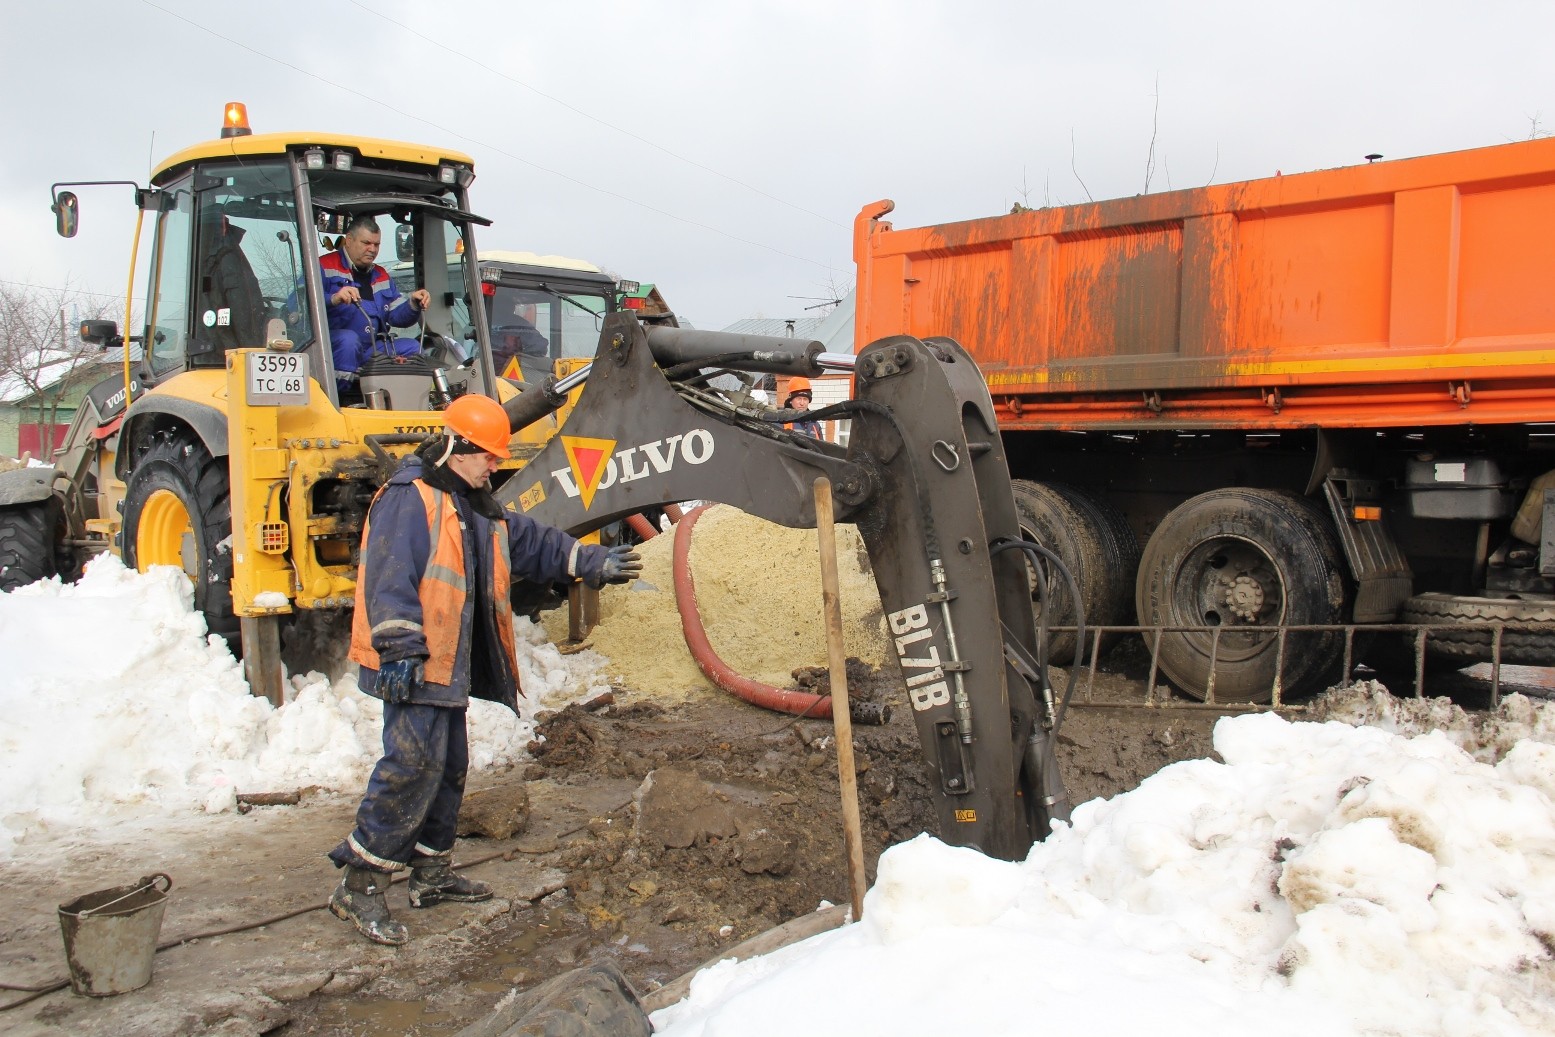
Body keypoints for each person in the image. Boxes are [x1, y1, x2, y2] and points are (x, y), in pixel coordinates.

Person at [328, 393, 642, 945]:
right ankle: (361, 883)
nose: (496, 465)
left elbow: (528, 541)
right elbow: (389, 575)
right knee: (411, 765)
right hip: (412, 659)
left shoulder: (475, 503)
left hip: (445, 662)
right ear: (456, 448)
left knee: (448, 766)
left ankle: (430, 873)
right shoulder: (410, 498)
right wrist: (400, 648)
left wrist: (587, 561)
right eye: (488, 456)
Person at [321, 215, 432, 380]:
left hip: (371, 350)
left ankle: (400, 400)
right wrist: (334, 298)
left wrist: (413, 303)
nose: (372, 249)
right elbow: (300, 304)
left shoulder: (381, 275)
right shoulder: (324, 266)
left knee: (412, 348)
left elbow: (396, 316)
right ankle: (343, 396)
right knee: (348, 340)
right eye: (366, 243)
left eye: (376, 244)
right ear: (349, 240)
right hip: (334, 348)